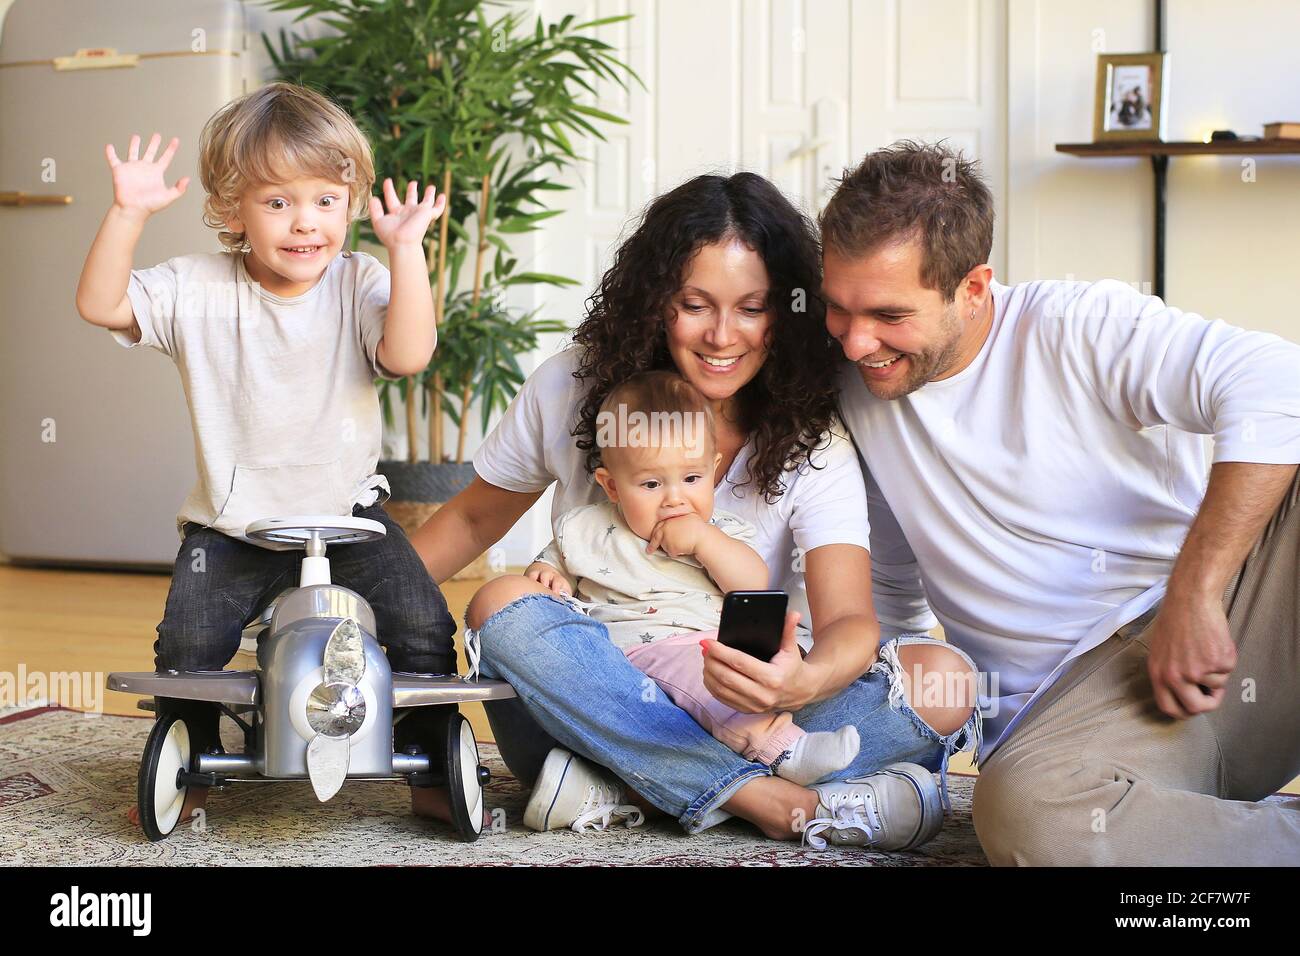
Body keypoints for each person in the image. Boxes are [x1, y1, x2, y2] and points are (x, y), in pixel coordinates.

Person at [411, 172, 981, 850]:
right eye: (694, 304)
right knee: (499, 598)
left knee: (942, 679)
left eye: (752, 308)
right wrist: (357, 610)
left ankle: (629, 791)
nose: (721, 335)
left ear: (787, 311)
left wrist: (800, 682)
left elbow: (850, 622)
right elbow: (473, 523)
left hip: (738, 706)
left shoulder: (812, 437)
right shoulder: (573, 386)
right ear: (655, 301)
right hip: (599, 707)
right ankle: (775, 802)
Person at [819, 139, 1300, 865]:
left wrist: (1196, 594)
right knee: (1027, 811)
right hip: (1081, 730)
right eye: (836, 308)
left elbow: (1278, 382)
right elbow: (891, 585)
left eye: (888, 314)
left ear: (974, 287)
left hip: (1226, 632)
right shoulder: (858, 390)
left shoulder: (1077, 326)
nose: (856, 342)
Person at [74, 82, 465, 821]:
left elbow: (409, 354)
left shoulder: (360, 281)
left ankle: (429, 762)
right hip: (233, 527)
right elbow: (101, 304)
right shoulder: (195, 287)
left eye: (324, 199)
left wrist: (407, 251)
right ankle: (187, 763)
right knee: (186, 643)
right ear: (231, 210)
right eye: (278, 202)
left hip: (348, 517)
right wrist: (127, 213)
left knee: (422, 624)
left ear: (350, 205)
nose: (304, 222)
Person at [519, 371, 861, 818]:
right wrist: (546, 577)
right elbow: (545, 571)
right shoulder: (584, 527)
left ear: (714, 468)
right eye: (651, 484)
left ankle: (661, 787)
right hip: (631, 662)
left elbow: (753, 585)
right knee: (695, 668)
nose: (674, 499)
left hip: (717, 654)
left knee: (748, 668)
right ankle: (783, 752)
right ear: (611, 486)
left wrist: (703, 542)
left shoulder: (721, 533)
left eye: (692, 477)